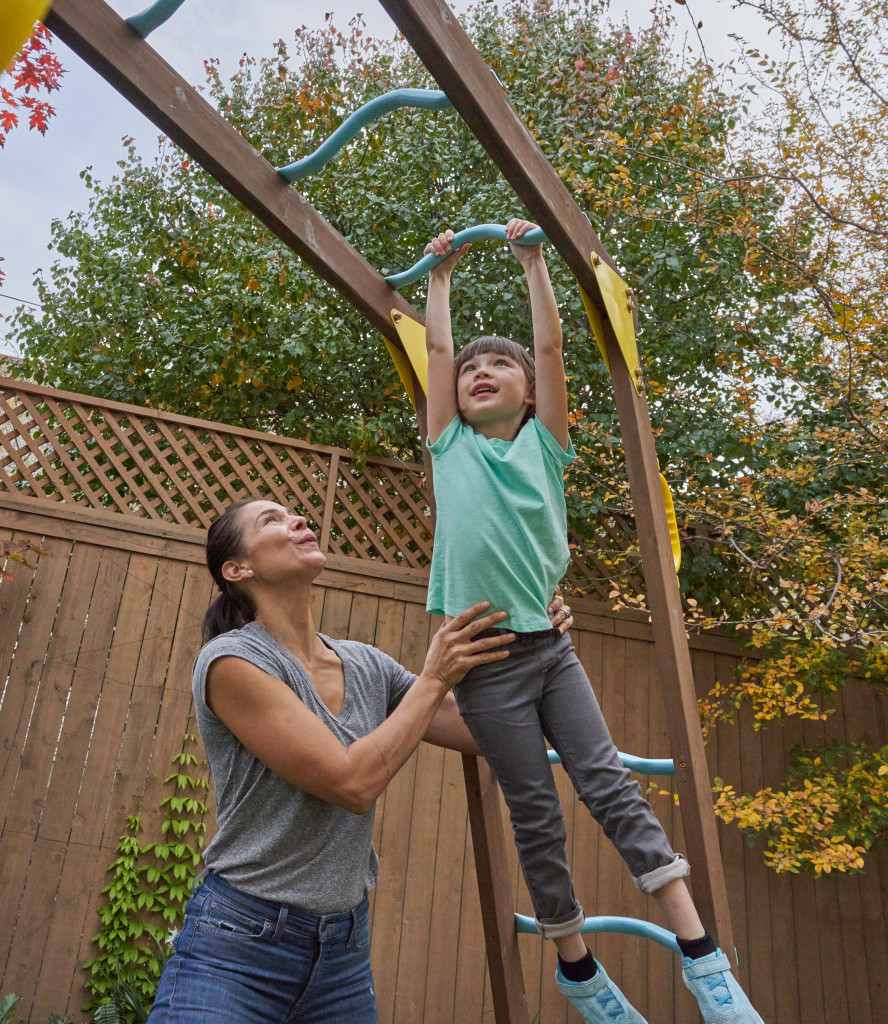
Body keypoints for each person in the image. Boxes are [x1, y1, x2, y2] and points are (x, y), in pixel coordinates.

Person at [421, 219, 765, 1024]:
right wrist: (438, 283)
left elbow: (550, 351)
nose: (481, 372)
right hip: (484, 664)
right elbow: (437, 357)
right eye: (472, 368)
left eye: (498, 365)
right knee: (536, 812)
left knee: (609, 785)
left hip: (551, 647)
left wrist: (534, 263)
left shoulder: (546, 444)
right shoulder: (449, 448)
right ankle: (577, 969)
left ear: (529, 393)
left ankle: (701, 956)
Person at [146, 495, 574, 1024]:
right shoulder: (233, 661)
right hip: (238, 944)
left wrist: (539, 639)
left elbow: (490, 730)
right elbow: (351, 782)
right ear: (238, 569)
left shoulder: (365, 664)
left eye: (294, 512)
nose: (298, 520)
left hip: (342, 955)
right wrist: (436, 675)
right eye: (271, 520)